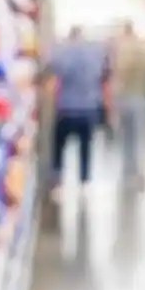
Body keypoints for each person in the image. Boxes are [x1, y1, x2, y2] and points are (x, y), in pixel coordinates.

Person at [46, 25, 107, 200]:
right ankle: (84, 182)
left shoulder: (62, 52)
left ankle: (58, 184)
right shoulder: (94, 54)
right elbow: (101, 75)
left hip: (66, 108)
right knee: (86, 147)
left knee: (59, 147)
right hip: (88, 109)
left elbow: (53, 72)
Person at [110, 20, 145, 187]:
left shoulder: (122, 50)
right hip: (141, 97)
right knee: (139, 137)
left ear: (124, 31)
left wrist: (113, 103)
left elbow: (118, 75)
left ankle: (126, 172)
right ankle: (138, 173)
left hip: (124, 98)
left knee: (125, 137)